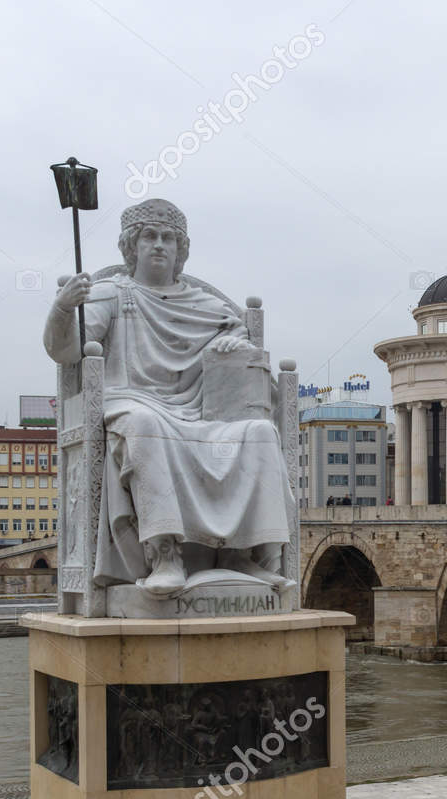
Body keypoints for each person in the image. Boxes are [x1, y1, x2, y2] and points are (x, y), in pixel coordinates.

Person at [45, 198, 296, 597]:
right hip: (131, 401)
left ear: (181, 250)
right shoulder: (113, 294)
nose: (159, 245)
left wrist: (232, 342)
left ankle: (244, 556)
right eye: (149, 237)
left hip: (199, 411)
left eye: (168, 238)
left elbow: (243, 348)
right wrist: (62, 308)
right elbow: (68, 351)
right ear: (132, 246)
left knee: (260, 431)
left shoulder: (206, 306)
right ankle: (164, 554)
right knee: (145, 426)